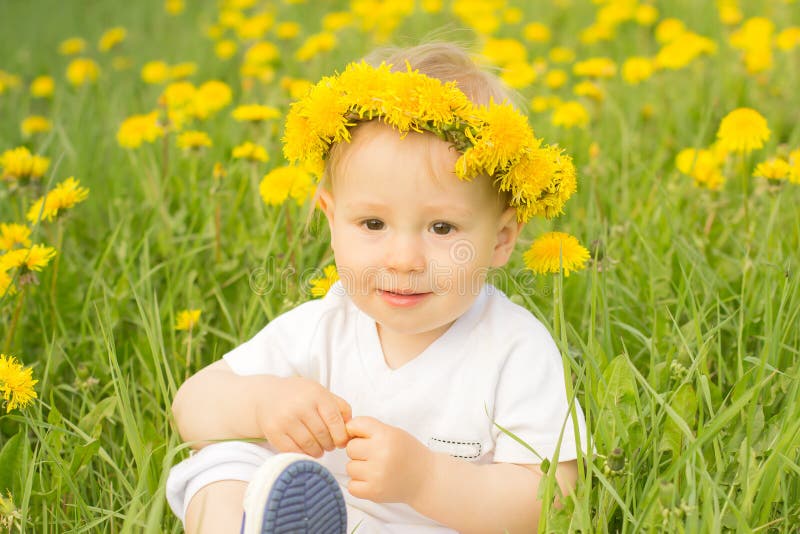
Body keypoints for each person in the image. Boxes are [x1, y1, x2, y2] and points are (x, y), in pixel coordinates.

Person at [166, 42, 587, 534]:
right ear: (330, 218)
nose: (403, 260)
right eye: (372, 223)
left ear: (500, 240)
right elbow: (191, 407)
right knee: (224, 462)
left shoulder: (514, 348)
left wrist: (427, 480)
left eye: (442, 229)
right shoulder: (325, 326)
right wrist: (263, 403)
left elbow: (550, 499)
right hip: (309, 511)